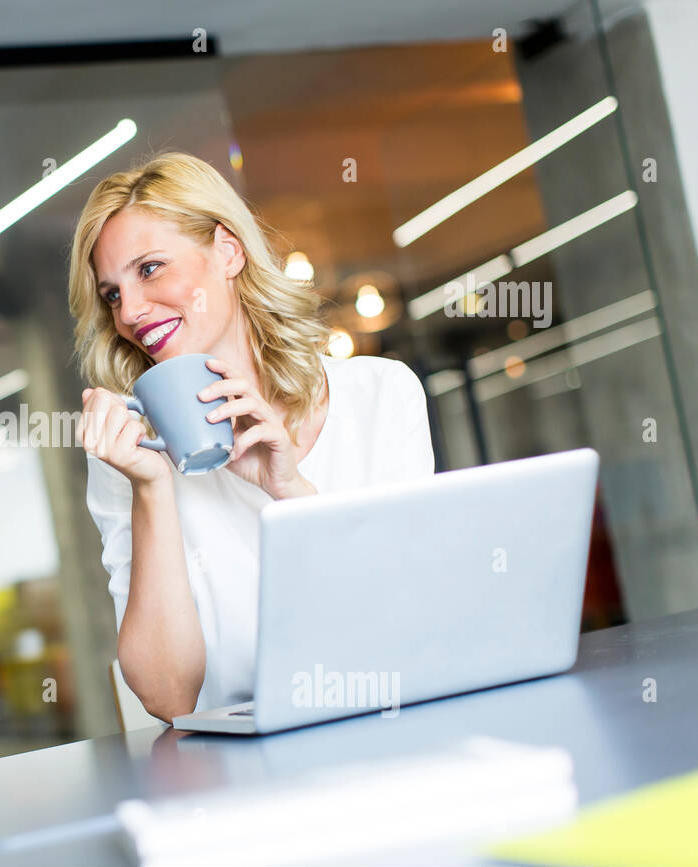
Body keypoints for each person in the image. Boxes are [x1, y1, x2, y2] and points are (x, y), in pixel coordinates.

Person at [68, 152, 434, 723]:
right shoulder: (130, 451)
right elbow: (167, 696)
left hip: (402, 727)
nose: (131, 312)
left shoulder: (381, 395)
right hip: (244, 775)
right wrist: (152, 490)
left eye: (149, 269)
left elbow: (418, 620)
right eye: (112, 293)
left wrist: (289, 490)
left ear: (228, 250)